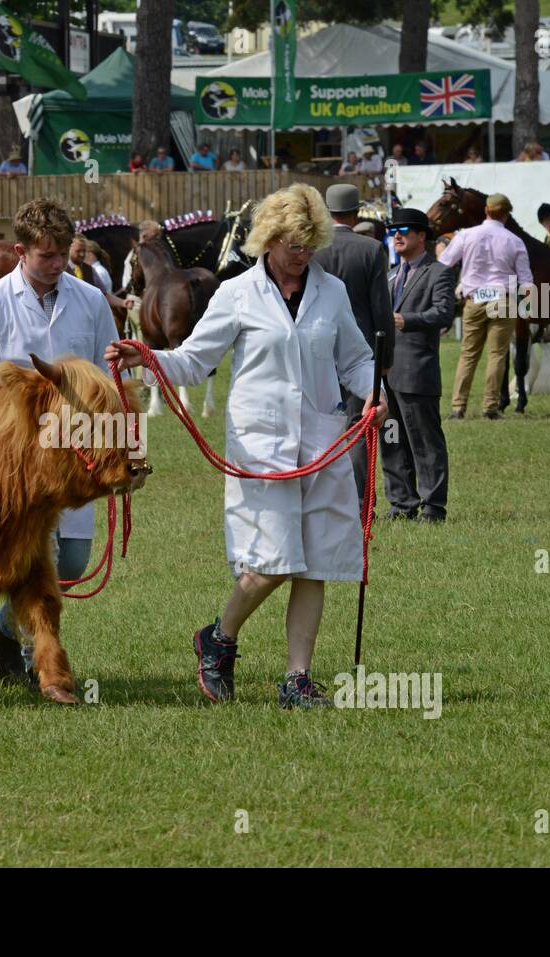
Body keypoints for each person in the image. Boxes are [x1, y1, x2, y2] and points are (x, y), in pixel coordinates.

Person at [106, 184, 387, 710]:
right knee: (274, 560)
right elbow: (194, 361)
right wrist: (147, 358)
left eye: (309, 243)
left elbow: (354, 359)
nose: (301, 255)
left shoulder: (332, 292)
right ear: (268, 239)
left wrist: (374, 392)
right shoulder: (236, 293)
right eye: (291, 244)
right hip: (261, 447)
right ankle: (220, 635)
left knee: (315, 562)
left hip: (322, 441)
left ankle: (296, 680)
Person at [0, 198, 121, 687]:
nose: (57, 264)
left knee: (70, 563)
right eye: (46, 256)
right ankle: (36, 659)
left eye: (63, 253)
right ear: (19, 251)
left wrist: (120, 449)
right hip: (15, 460)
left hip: (79, 456)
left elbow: (108, 377)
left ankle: (1, 627)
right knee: (31, 559)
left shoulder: (89, 301)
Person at [314, 183, 394, 504]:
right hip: (361, 349)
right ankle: (361, 501)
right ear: (356, 211)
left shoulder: (311, 249)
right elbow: (381, 308)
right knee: (358, 427)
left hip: (318, 349)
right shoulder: (371, 250)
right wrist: (385, 358)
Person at [381, 208, 455, 523]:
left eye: (405, 230)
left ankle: (434, 506)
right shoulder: (390, 274)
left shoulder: (438, 272)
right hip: (386, 373)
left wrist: (406, 320)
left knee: (425, 441)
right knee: (391, 439)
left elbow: (443, 313)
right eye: (393, 230)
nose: (397, 235)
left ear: (421, 236)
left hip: (417, 370)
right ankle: (401, 503)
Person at [438, 192, 532, 421]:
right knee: (497, 354)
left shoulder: (466, 235)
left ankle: (457, 408)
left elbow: (444, 263)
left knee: (468, 354)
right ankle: (490, 407)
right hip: (503, 299)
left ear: (486, 211)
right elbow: (526, 282)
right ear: (506, 215)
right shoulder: (515, 241)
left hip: (474, 299)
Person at [121, 219, 161, 292]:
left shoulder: (156, 252)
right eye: (155, 237)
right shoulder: (137, 255)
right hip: (138, 296)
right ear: (144, 236)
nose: (157, 240)